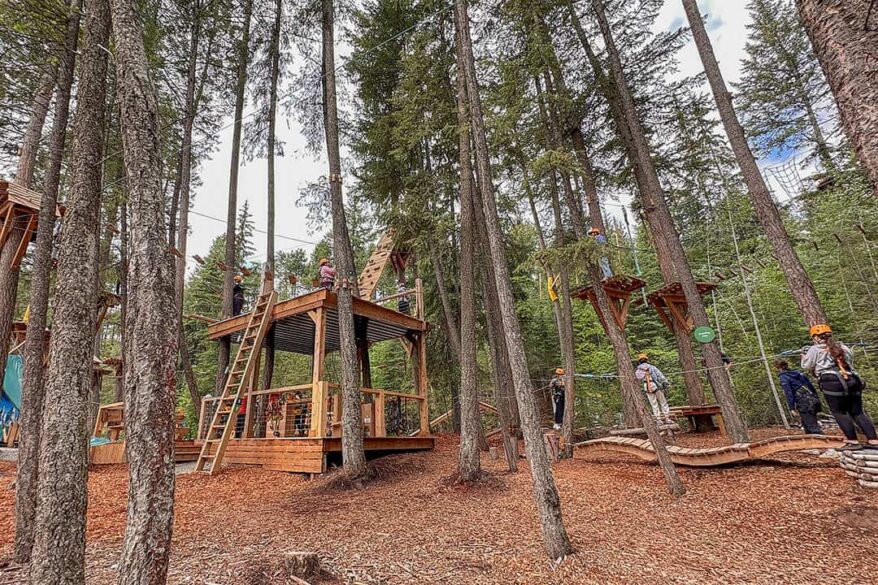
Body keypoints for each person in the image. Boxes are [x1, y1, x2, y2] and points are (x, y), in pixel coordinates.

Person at [801, 324, 878, 449]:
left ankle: (853, 442)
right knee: (858, 412)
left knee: (840, 412)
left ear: (815, 337)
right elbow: (850, 361)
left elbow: (806, 365)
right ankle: (874, 441)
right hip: (852, 379)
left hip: (831, 381)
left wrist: (803, 356)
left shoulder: (815, 349)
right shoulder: (843, 347)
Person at [775, 359, 823, 435]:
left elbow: (788, 393)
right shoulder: (797, 373)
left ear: (778, 367)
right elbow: (810, 384)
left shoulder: (783, 377)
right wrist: (816, 396)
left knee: (812, 427)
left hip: (803, 401)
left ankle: (824, 443)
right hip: (812, 398)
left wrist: (792, 408)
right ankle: (813, 443)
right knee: (807, 425)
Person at [634, 353, 673, 425]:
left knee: (654, 403)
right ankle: (667, 418)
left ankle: (658, 419)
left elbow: (637, 378)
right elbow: (660, 375)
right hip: (656, 385)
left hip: (647, 386)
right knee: (663, 401)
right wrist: (666, 383)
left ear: (639, 361)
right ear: (646, 360)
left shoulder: (638, 370)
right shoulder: (652, 367)